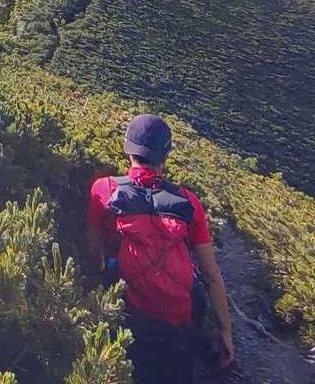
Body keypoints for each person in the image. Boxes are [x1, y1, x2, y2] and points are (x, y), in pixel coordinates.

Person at [88, 114, 235, 383]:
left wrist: (101, 272)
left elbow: (94, 241)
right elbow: (212, 276)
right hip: (176, 321)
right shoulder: (189, 203)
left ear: (127, 149)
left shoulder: (104, 189)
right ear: (165, 155)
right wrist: (225, 331)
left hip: (128, 311)